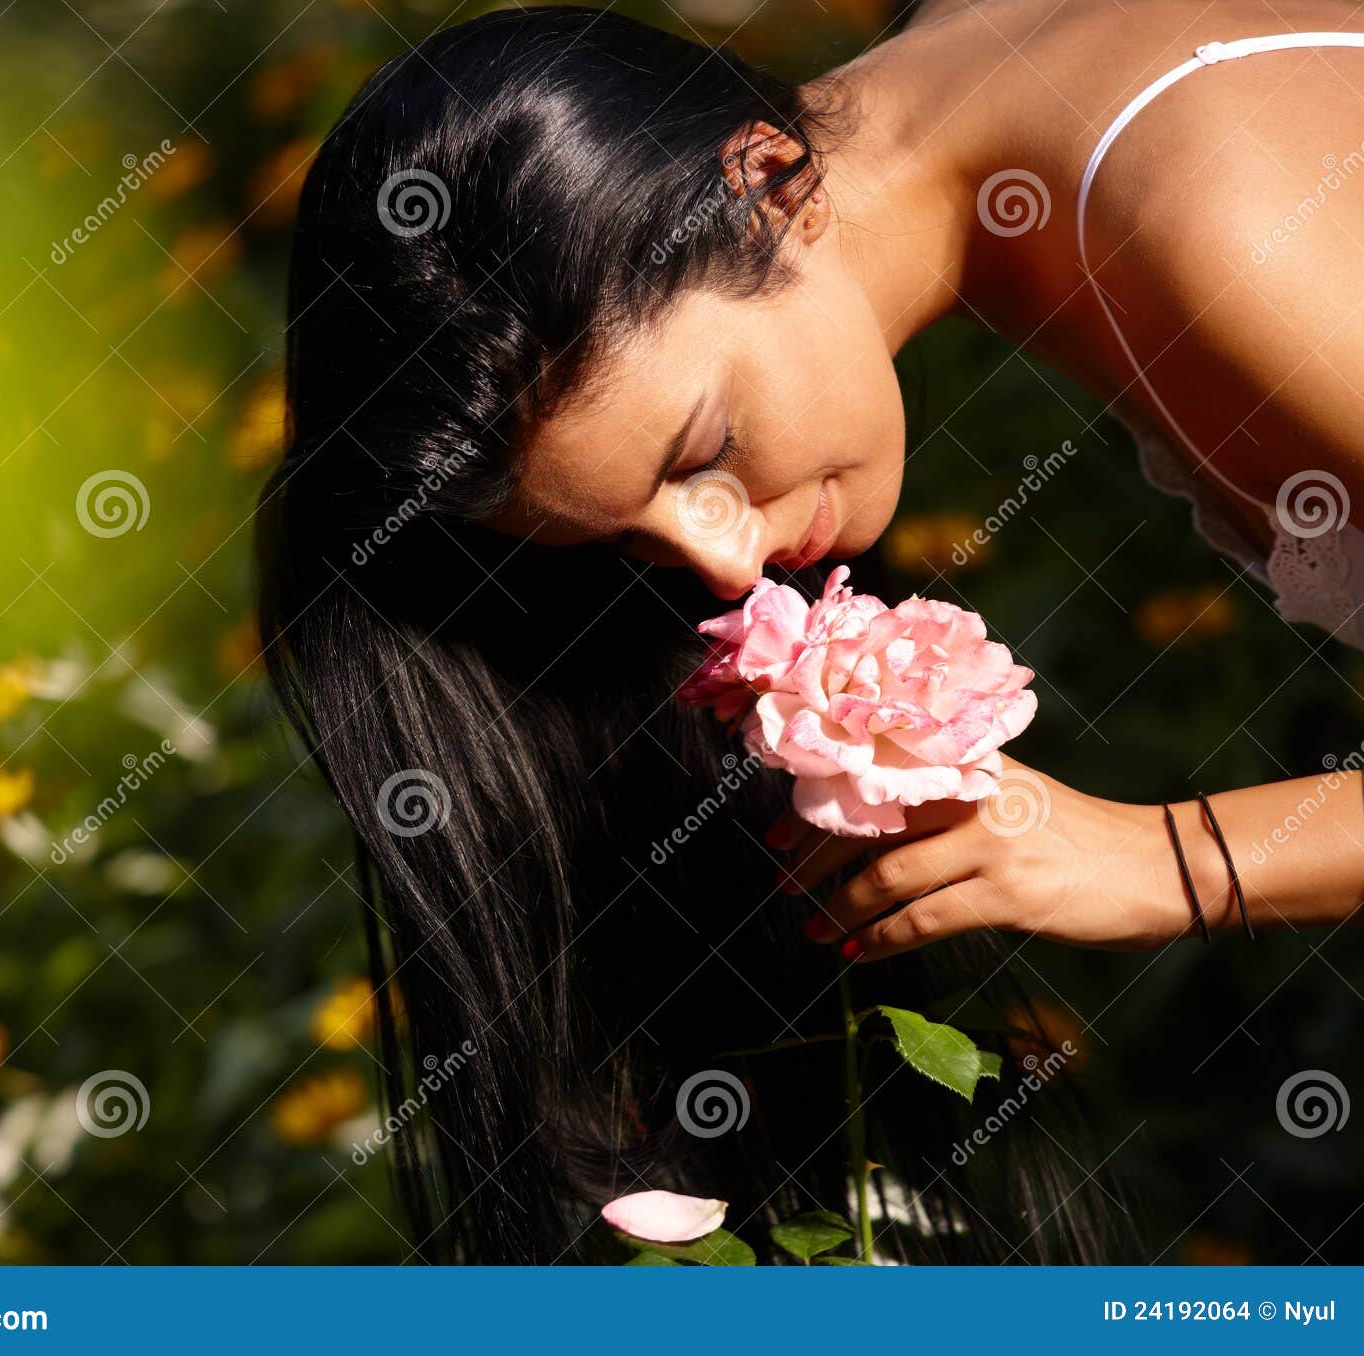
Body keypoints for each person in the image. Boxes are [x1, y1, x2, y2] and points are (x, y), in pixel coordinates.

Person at [256, 0, 1363, 1262]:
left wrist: (1164, 859)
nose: (725, 560)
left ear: (765, 182)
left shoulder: (1208, 227)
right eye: (635, 541)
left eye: (701, 454)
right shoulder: (997, 64)